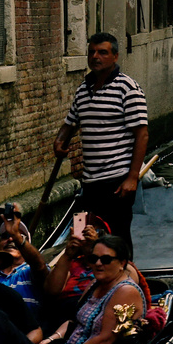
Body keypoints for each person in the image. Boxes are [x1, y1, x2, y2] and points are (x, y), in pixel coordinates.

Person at [56, 33, 149, 241]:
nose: (95, 57)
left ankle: (125, 272)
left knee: (116, 238)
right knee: (80, 234)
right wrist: (60, 140)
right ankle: (84, 272)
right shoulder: (83, 89)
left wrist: (132, 178)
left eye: (102, 52)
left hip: (117, 181)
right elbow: (71, 122)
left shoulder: (128, 89)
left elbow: (142, 135)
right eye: (91, 52)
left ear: (115, 56)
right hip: (89, 181)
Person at [43, 235, 147, 344]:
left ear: (122, 263)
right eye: (93, 258)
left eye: (106, 260)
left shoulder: (126, 291)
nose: (98, 264)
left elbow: (105, 341)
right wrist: (50, 340)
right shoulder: (95, 284)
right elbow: (75, 321)